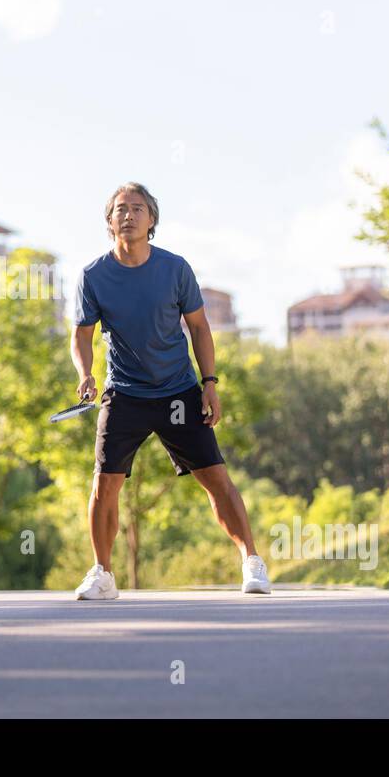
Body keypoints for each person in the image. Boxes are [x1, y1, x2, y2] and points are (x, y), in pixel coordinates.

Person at [70, 182, 270, 600]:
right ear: (109, 223)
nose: (128, 215)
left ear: (152, 220)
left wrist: (209, 384)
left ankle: (252, 561)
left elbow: (199, 327)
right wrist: (85, 373)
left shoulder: (175, 269)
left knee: (215, 478)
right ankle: (102, 573)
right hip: (123, 394)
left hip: (178, 391)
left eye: (137, 208)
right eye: (120, 209)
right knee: (104, 484)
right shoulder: (93, 276)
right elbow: (82, 335)